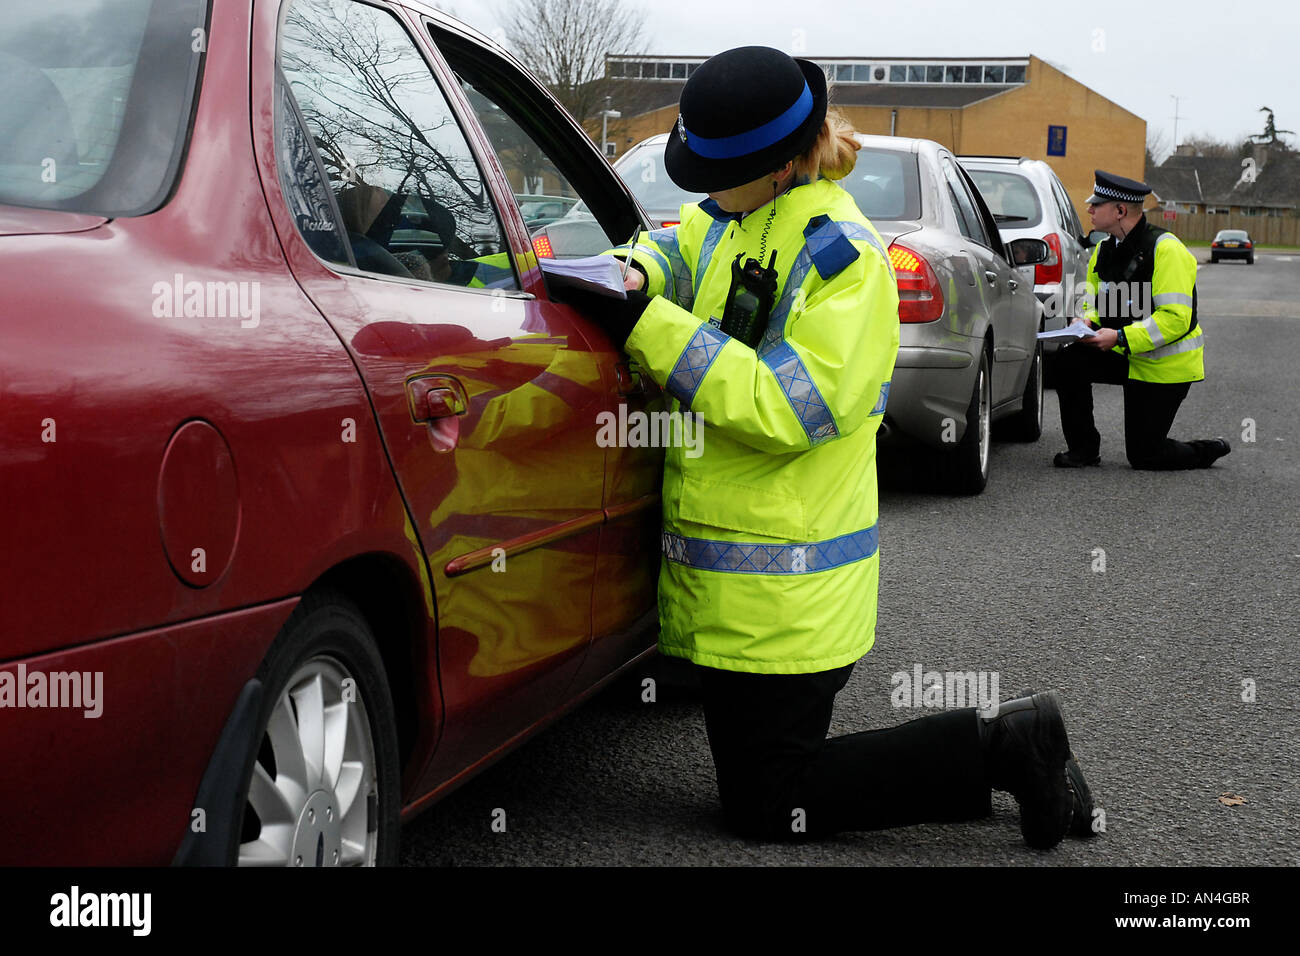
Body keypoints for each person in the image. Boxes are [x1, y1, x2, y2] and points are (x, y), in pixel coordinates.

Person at [562, 46, 1095, 849]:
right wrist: (634, 272)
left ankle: (1008, 745)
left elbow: (788, 406)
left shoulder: (843, 260)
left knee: (774, 802)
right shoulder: (725, 215)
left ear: (776, 165)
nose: (696, 187)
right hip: (738, 589)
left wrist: (651, 327)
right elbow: (674, 251)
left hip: (787, 595)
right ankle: (1006, 747)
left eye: (714, 167)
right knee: (764, 785)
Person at [1053, 170, 1230, 469]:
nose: (1089, 209)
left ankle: (1208, 450)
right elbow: (1094, 301)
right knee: (1067, 362)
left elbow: (1175, 319)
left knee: (1146, 456)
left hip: (1163, 365)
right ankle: (1083, 449)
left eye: (1097, 204)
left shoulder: (1167, 250)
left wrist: (1120, 337)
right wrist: (1084, 322)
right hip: (1126, 354)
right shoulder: (1103, 250)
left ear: (1120, 211)